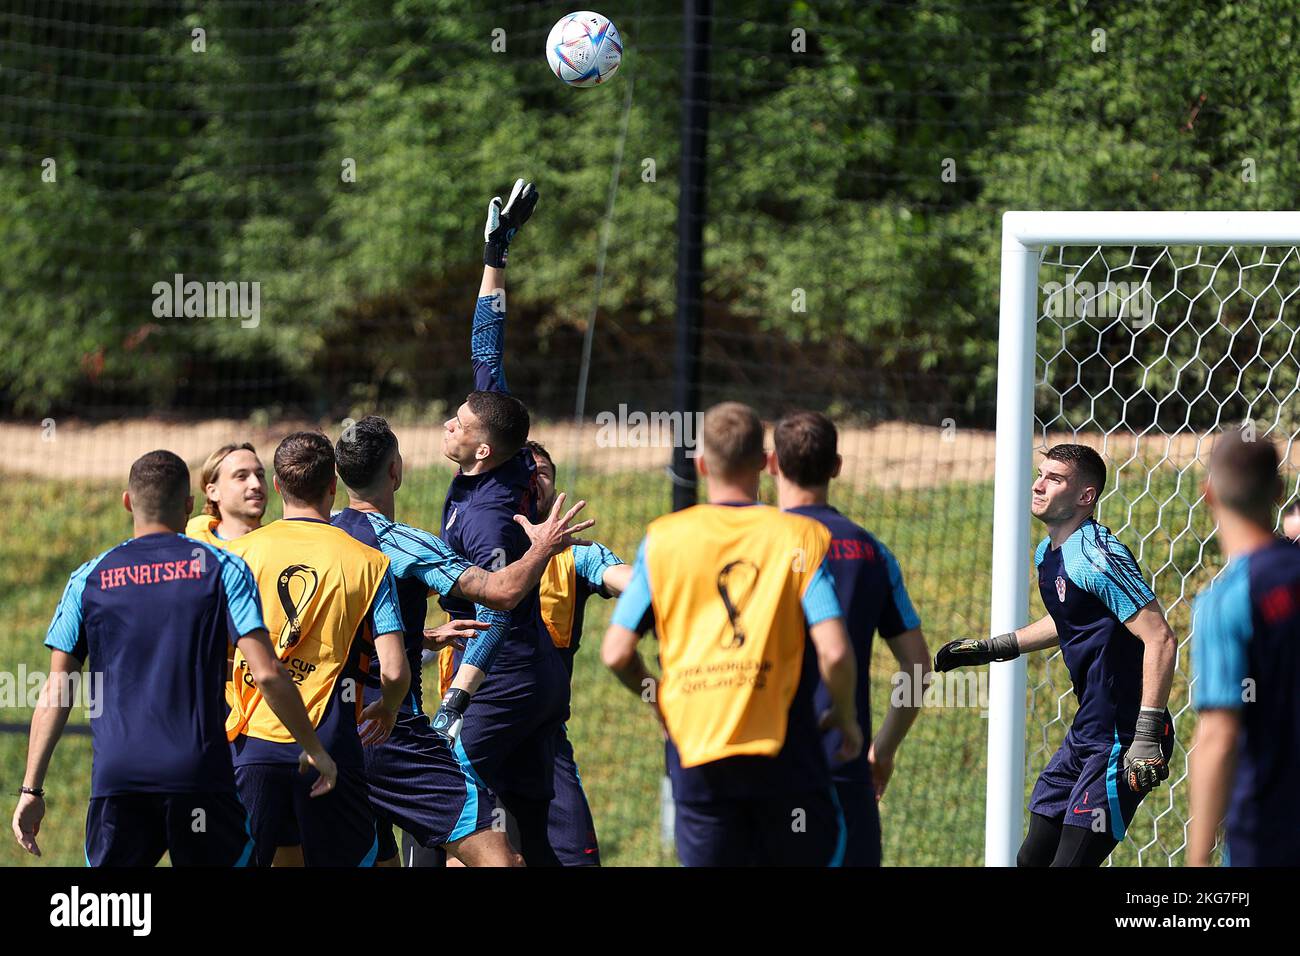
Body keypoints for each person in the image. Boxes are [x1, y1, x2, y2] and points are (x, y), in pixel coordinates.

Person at [11, 450, 336, 865]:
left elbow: (58, 689)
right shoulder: (224, 569)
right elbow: (268, 674)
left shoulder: (88, 578)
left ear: (128, 501)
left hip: (119, 778)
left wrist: (31, 790)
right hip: (198, 777)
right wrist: (314, 748)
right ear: (188, 504)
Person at [602, 401, 861, 866]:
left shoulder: (662, 539)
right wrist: (845, 716)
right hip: (786, 751)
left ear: (701, 465)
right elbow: (836, 653)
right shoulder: (797, 536)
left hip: (699, 747)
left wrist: (659, 700)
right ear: (765, 463)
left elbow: (617, 652)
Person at [331, 415, 594, 866]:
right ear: (396, 470)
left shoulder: (320, 539)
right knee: (501, 860)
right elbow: (501, 594)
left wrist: (423, 636)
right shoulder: (405, 544)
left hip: (324, 734)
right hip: (391, 734)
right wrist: (541, 548)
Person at [934, 443, 1177, 867]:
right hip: (1087, 731)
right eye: (1040, 474)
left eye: (1054, 478)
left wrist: (1146, 733)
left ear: (1085, 496)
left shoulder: (1096, 556)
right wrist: (995, 648)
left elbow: (1160, 638)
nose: (1038, 485)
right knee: (1031, 858)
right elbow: (1073, 619)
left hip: (1123, 735)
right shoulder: (1049, 554)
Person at [434, 180, 577, 865]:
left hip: (509, 673)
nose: (447, 423)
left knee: (432, 777)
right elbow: (487, 346)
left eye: (457, 423)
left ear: (480, 448)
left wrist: (458, 698)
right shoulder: (498, 450)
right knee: (534, 828)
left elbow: (499, 606)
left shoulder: (492, 513)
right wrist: (497, 253)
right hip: (539, 678)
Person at [226, 431, 408, 866]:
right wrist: (388, 709)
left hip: (252, 739)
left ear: (275, 486)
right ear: (333, 486)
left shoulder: (237, 554)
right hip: (329, 743)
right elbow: (396, 670)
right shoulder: (369, 561)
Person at [770, 410, 930, 866]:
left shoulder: (753, 545)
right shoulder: (872, 552)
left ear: (773, 465)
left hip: (758, 767)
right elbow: (918, 666)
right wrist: (883, 749)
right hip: (841, 764)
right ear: (837, 466)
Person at [1188, 426, 1300, 866]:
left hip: (1269, 832)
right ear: (1278, 490)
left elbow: (1219, 735)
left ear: (1208, 494)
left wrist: (1197, 860)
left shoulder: (1224, 601)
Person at [186, 442, 267, 545]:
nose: (256, 484)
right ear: (213, 492)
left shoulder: (281, 544)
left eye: (260, 475)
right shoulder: (192, 544)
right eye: (241, 476)